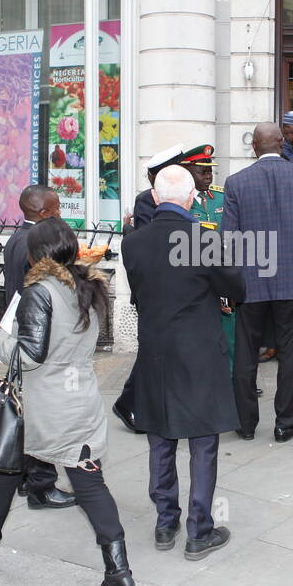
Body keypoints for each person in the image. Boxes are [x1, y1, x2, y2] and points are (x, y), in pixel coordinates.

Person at [0, 218, 134, 586]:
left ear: (36, 254)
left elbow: (30, 356)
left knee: (2, 470)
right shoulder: (87, 289)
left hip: (42, 406)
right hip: (80, 399)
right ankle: (118, 570)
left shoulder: (40, 291)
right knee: (87, 481)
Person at [122, 165, 246, 559]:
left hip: (155, 351)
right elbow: (236, 288)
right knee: (203, 443)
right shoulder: (203, 241)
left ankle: (164, 523)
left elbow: (143, 291)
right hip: (198, 353)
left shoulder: (132, 242)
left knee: (160, 438)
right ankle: (199, 531)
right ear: (192, 198)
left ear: (156, 198)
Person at [224, 123, 293, 442]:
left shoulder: (236, 182)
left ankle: (245, 423)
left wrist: (228, 284)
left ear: (254, 147)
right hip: (292, 280)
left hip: (250, 282)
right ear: (282, 144)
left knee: (245, 353)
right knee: (289, 352)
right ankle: (286, 423)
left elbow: (228, 239)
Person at [0, 185, 75, 511]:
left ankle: (22, 475)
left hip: (22, 336)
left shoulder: (16, 238)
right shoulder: (35, 245)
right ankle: (41, 487)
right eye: (56, 208)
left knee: (27, 411)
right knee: (41, 416)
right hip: (37, 342)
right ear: (42, 212)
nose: (60, 214)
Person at [114, 143, 188, 432]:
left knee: (163, 350)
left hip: (173, 290)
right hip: (156, 292)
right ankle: (128, 402)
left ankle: (153, 403)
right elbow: (150, 243)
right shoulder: (147, 200)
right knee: (152, 351)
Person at [181, 144, 238, 368]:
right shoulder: (181, 201)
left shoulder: (221, 197)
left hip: (221, 272)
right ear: (187, 172)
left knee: (229, 328)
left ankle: (232, 377)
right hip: (193, 274)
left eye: (210, 171)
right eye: (202, 171)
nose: (208, 176)